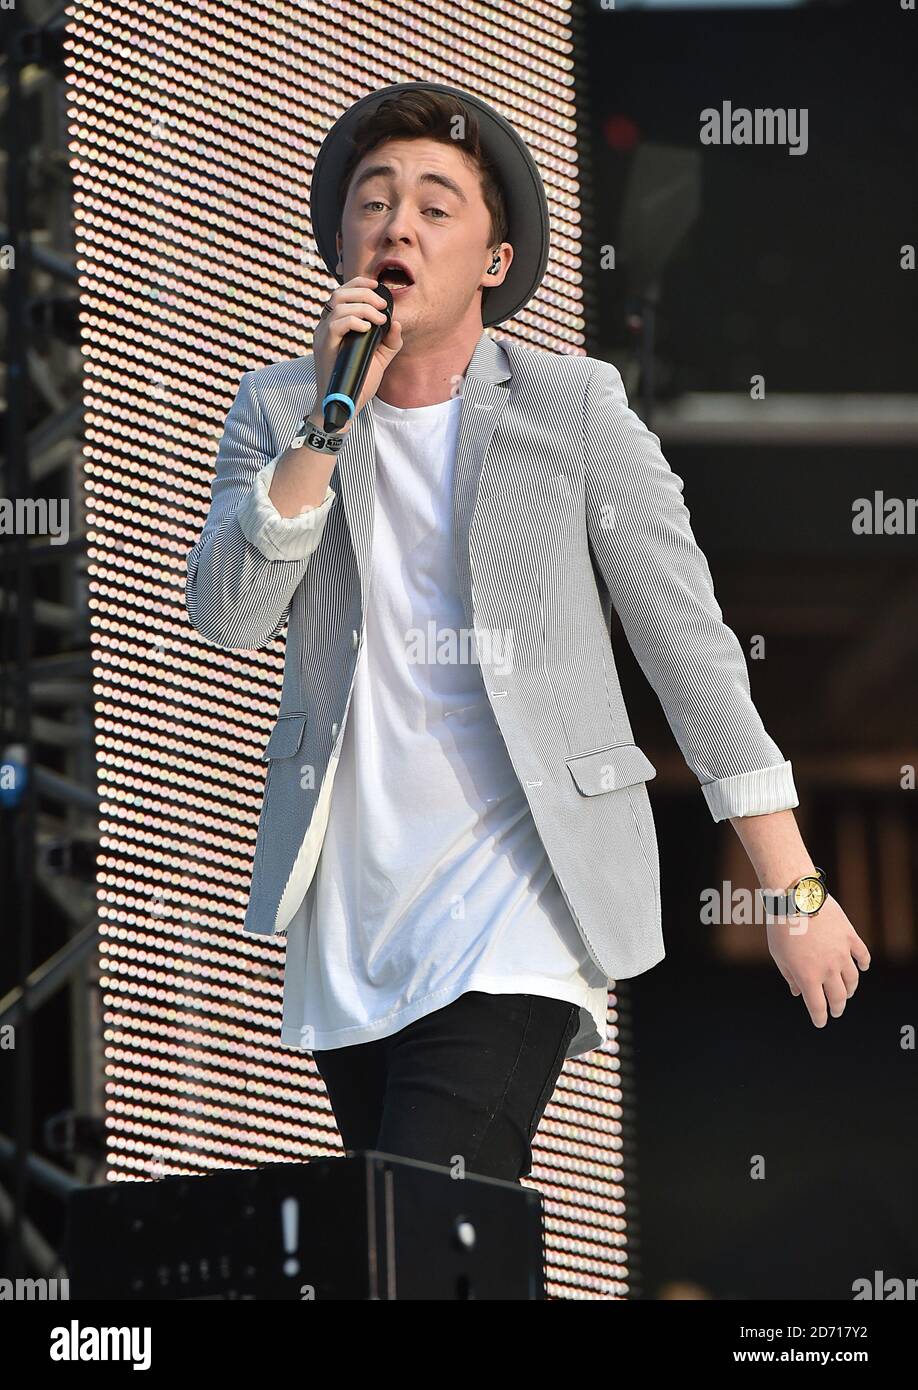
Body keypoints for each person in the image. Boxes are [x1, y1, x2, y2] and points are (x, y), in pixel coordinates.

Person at [185, 82, 870, 1185]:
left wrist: (790, 888)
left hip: (513, 907)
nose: (395, 224)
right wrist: (324, 423)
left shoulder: (574, 407)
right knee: (425, 1252)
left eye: (434, 205)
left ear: (495, 264)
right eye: (373, 202)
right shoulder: (278, 410)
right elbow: (227, 616)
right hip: (353, 916)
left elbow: (690, 651)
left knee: (430, 1199)